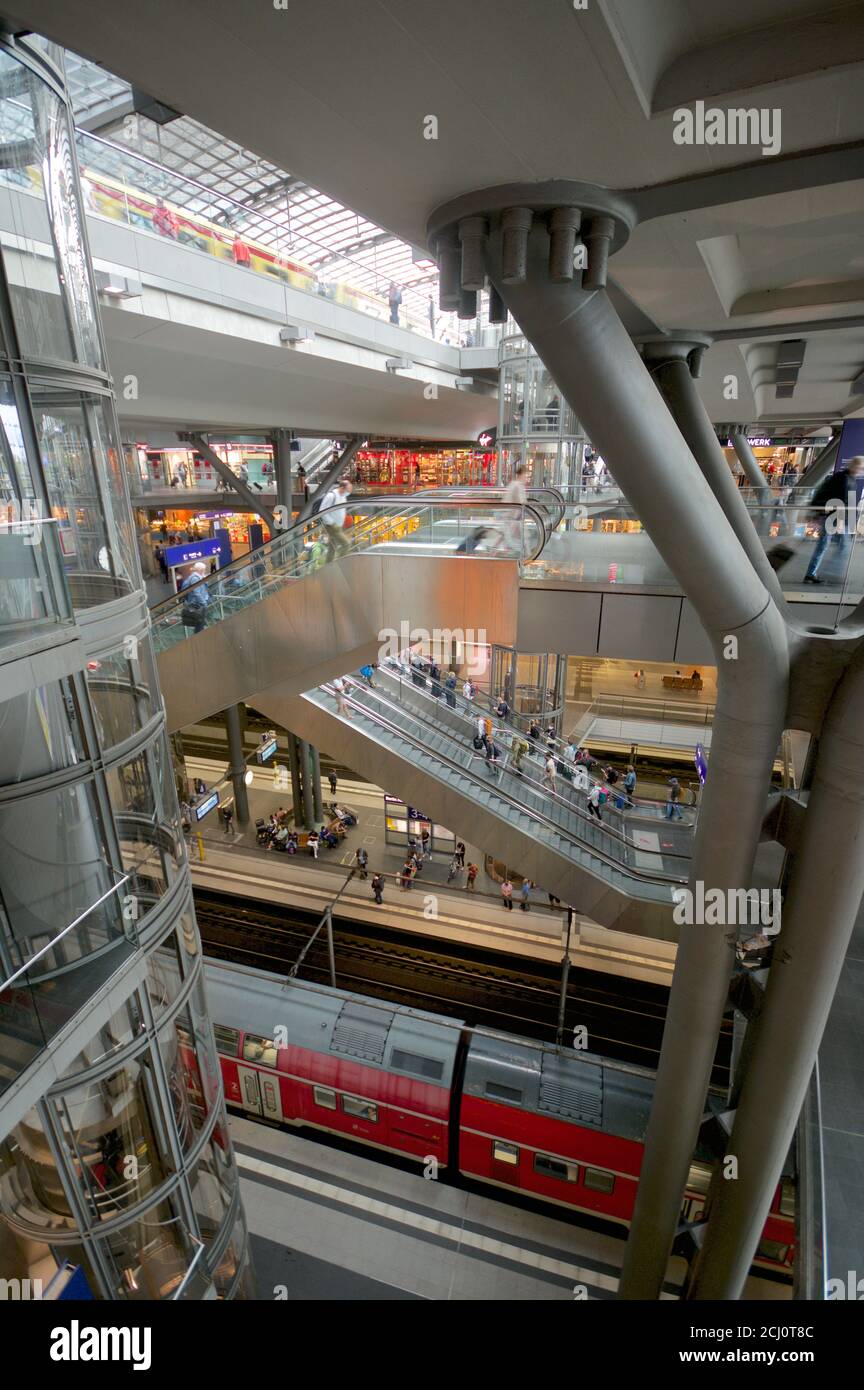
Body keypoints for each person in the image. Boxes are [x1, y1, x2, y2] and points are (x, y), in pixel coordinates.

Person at [803, 455, 864, 582]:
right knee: (833, 546)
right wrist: (841, 522)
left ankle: (818, 573)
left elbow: (848, 502)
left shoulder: (850, 479)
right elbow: (839, 501)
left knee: (833, 546)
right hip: (834, 518)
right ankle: (824, 573)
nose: (861, 471)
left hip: (837, 518)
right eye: (861, 468)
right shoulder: (843, 479)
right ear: (855, 466)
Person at [319, 478, 352, 559]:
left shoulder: (343, 497)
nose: (349, 492)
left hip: (338, 526)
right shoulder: (331, 496)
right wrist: (332, 523)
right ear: (342, 488)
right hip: (331, 526)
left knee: (332, 548)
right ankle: (339, 561)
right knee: (346, 544)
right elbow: (322, 511)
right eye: (348, 489)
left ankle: (329, 564)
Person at [179, 562, 210, 634]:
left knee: (200, 622)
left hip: (198, 603)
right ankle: (199, 636)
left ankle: (200, 634)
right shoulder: (195, 578)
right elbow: (196, 593)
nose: (204, 571)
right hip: (197, 604)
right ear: (201, 570)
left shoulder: (196, 577)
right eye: (204, 570)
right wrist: (204, 603)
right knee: (199, 623)